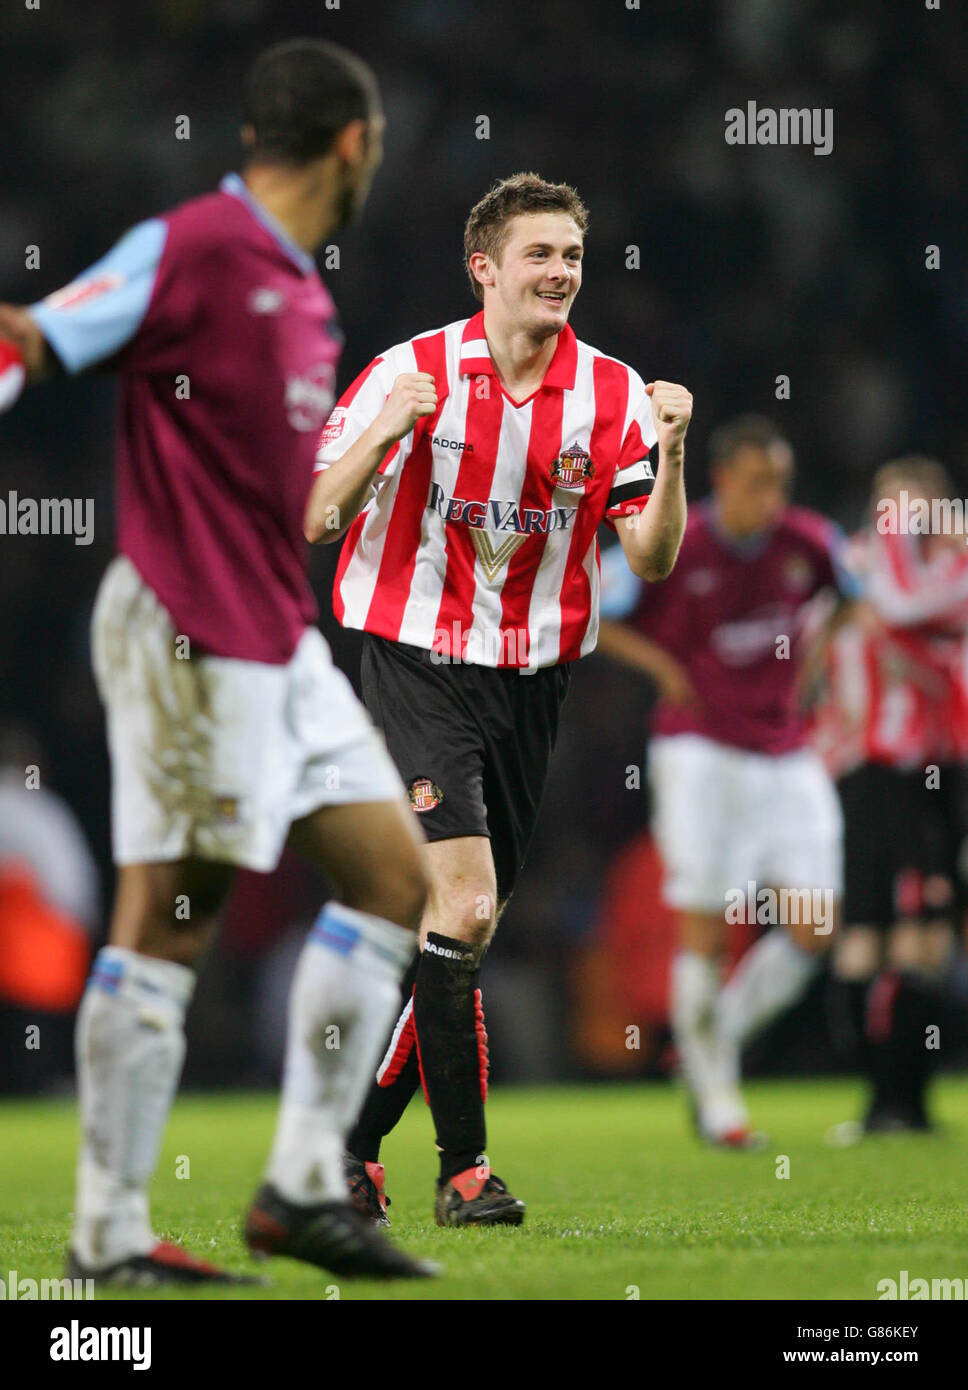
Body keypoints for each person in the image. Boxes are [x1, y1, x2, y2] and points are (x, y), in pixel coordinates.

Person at [0, 38, 435, 1284]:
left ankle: (300, 1187)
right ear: (354, 143)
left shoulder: (303, 291)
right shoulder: (193, 243)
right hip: (189, 625)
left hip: (274, 638)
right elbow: (33, 335)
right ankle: (105, 1236)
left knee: (391, 881)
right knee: (173, 917)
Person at [306, 171, 691, 1225]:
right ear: (484, 267)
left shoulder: (611, 394)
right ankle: (465, 1172)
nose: (559, 272)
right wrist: (388, 426)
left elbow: (648, 559)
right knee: (465, 904)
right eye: (539, 254)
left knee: (456, 931)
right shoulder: (409, 371)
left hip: (530, 680)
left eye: (571, 255)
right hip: (411, 657)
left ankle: (344, 1152)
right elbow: (313, 514)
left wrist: (672, 451)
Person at [598, 416, 857, 1145]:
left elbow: (854, 593)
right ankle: (718, 1101)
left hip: (784, 749)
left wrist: (815, 659)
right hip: (700, 752)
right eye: (756, 482)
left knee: (815, 926)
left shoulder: (807, 541)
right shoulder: (682, 541)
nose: (771, 497)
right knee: (706, 925)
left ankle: (712, 1041)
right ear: (721, 481)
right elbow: (595, 606)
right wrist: (663, 668)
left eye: (780, 483)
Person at [816, 459, 968, 1135]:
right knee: (865, 937)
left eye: (910, 509)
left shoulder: (947, 573)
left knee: (927, 936)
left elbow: (903, 609)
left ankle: (909, 1102)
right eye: (887, 507)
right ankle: (881, 1103)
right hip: (869, 773)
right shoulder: (850, 567)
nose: (895, 522)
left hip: (935, 773)